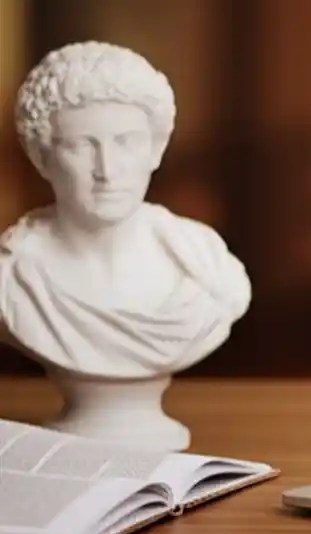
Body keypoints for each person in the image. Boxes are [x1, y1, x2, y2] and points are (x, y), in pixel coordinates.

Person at [0, 42, 250, 380]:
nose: (107, 170)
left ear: (156, 150)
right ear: (41, 158)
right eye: (82, 146)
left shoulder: (207, 266)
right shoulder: (12, 277)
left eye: (126, 142)